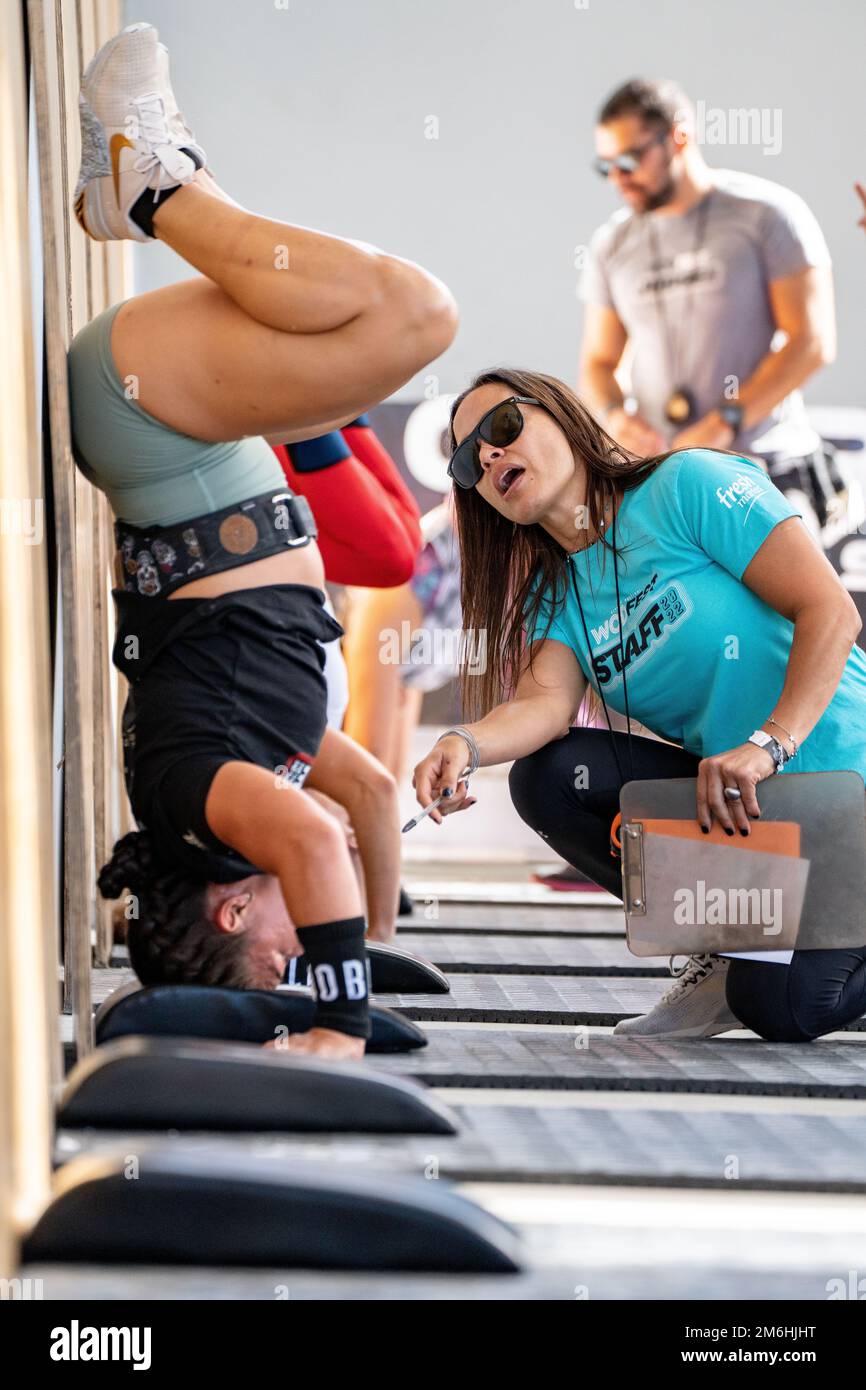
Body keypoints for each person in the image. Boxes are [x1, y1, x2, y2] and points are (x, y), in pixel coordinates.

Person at [68, 22, 457, 1059]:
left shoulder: (205, 799)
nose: (299, 951)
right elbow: (363, 800)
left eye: (278, 963)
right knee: (373, 311)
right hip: (197, 454)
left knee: (413, 316)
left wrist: (335, 1019)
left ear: (233, 913)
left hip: (150, 424)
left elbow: (319, 838)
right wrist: (371, 946)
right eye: (302, 969)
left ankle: (155, 182)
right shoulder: (250, 768)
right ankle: (140, 192)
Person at [412, 371, 866, 1041]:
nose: (485, 456)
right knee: (549, 778)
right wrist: (464, 744)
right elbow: (542, 704)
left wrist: (771, 743)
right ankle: (728, 935)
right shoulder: (556, 594)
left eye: (502, 428)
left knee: (783, 1006)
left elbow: (829, 610)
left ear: (562, 415)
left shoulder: (687, 485)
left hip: (846, 787)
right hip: (758, 815)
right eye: (464, 459)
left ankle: (764, 945)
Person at [578, 78, 848, 542]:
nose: (618, 178)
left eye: (629, 160)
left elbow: (812, 341)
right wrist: (617, 417)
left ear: (678, 137)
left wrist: (728, 421)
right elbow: (599, 361)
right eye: (605, 167)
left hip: (767, 466)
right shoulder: (612, 244)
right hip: (668, 476)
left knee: (802, 611)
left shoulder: (767, 213)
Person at [342, 498, 464, 900]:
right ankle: (355, 880)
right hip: (412, 578)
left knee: (387, 768)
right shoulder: (419, 568)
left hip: (457, 572)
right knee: (370, 760)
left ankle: (369, 874)